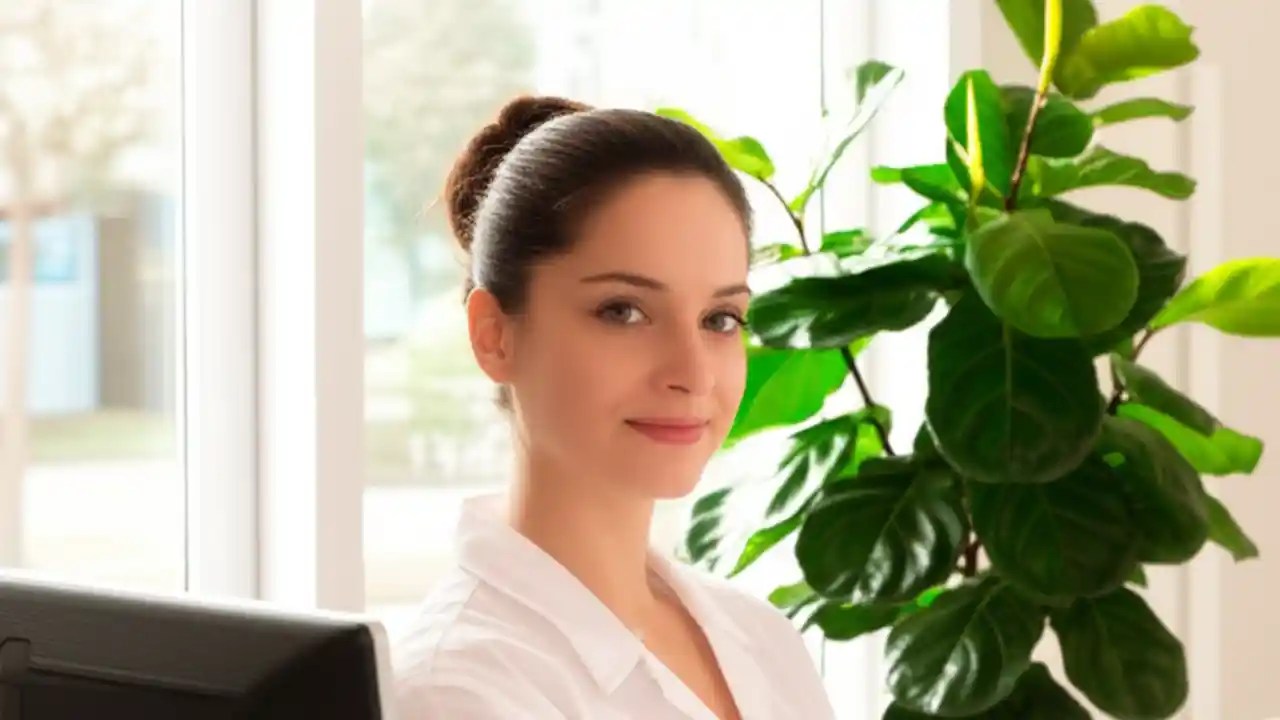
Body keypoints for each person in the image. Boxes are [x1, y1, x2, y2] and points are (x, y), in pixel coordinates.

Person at [391, 95, 835, 720]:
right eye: (623, 311)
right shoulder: (459, 693)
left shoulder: (762, 639)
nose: (693, 374)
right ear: (494, 335)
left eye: (720, 319)